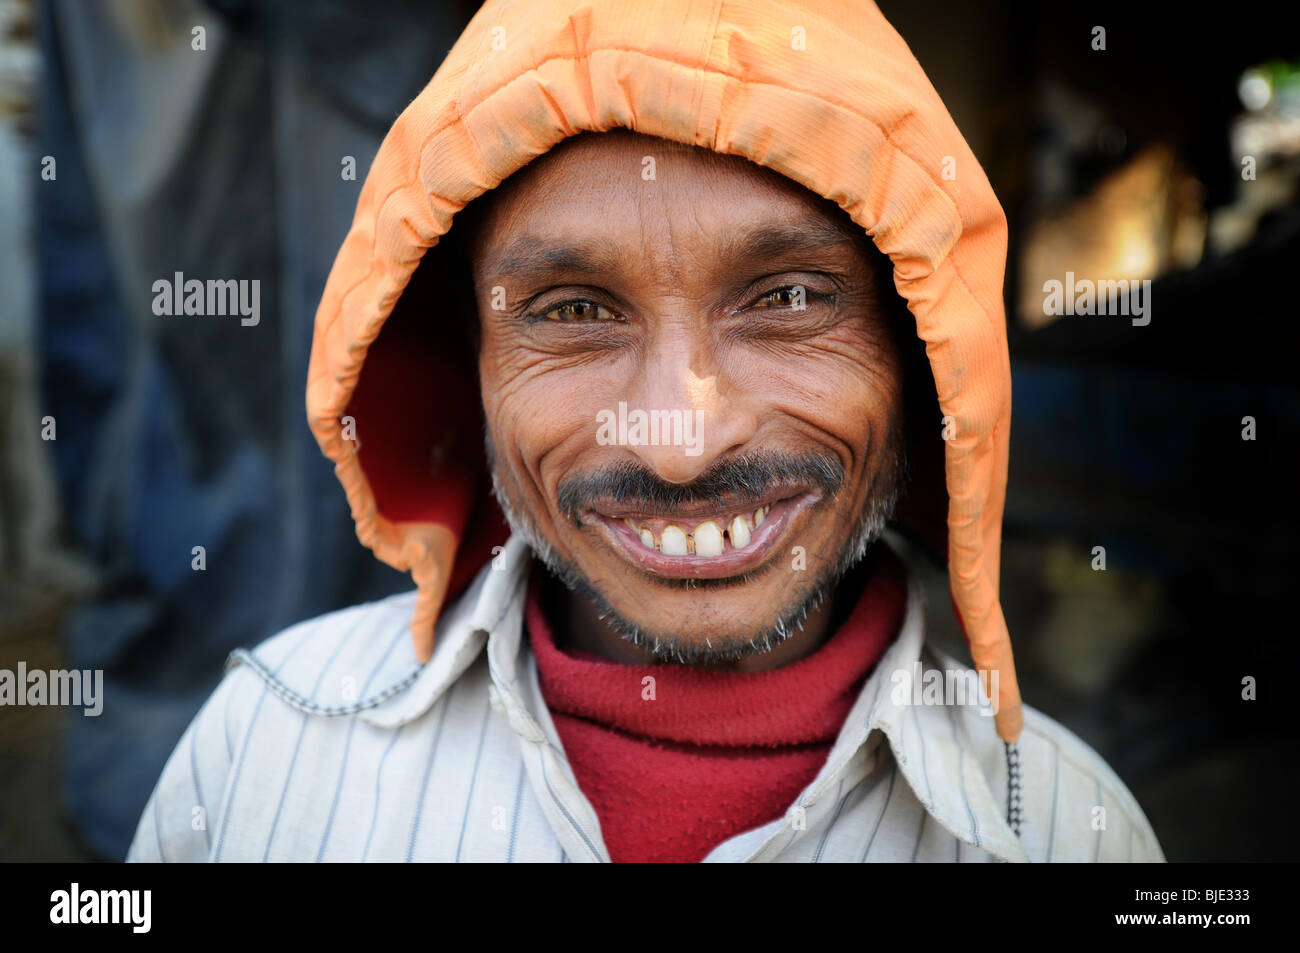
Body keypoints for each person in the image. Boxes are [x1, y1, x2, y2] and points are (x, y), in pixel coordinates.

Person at [128, 0, 1164, 863]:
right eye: (574, 312)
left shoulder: (1072, 832)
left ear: (919, 355)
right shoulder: (267, 745)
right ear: (468, 370)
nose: (681, 441)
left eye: (791, 296)